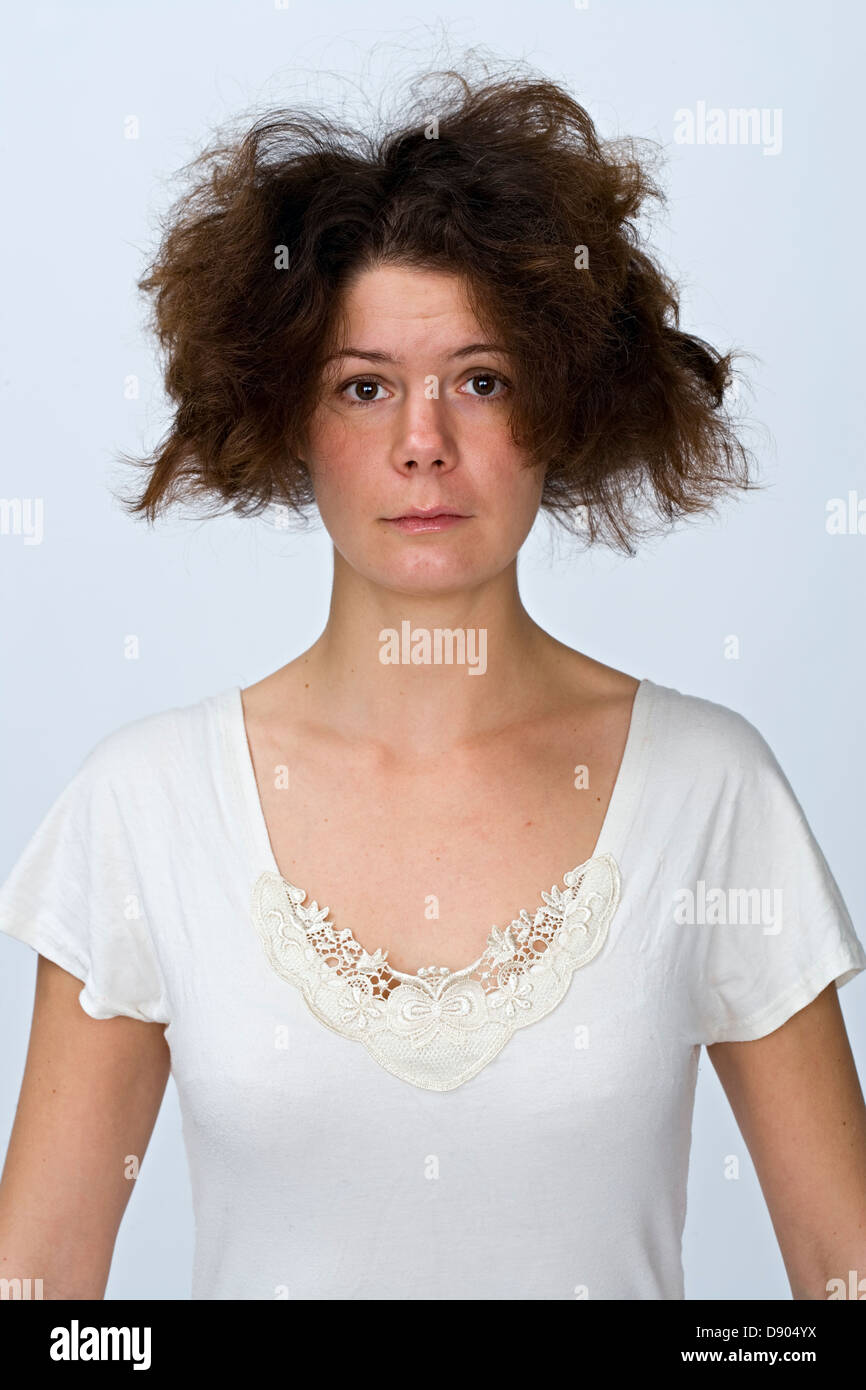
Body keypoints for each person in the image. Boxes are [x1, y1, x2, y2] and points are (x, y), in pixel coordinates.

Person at [1, 64, 864, 1302]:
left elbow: (840, 1282)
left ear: (559, 406)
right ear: (289, 418)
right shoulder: (142, 808)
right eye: (365, 386)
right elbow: (39, 1297)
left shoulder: (708, 788)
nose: (423, 441)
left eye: (480, 379)